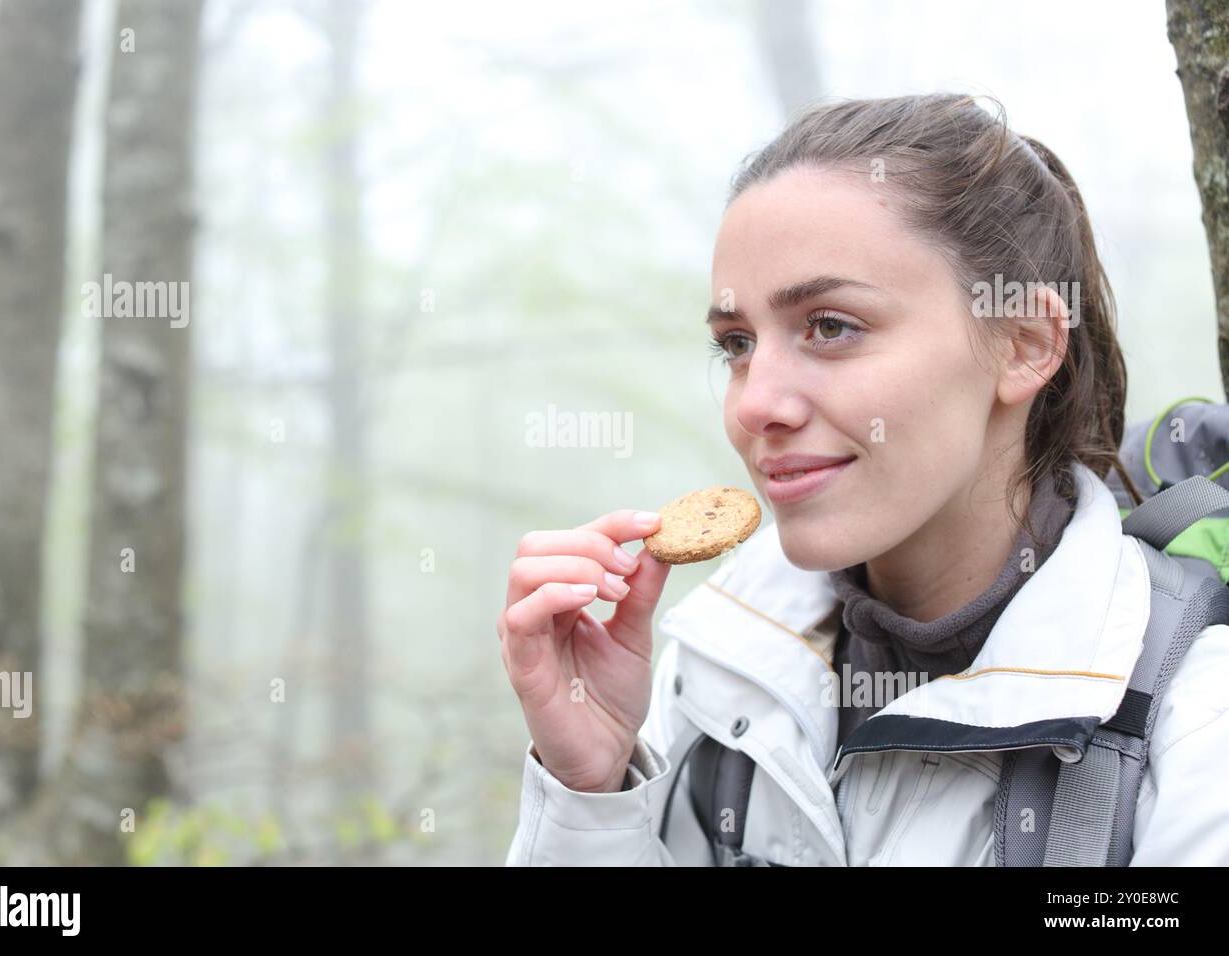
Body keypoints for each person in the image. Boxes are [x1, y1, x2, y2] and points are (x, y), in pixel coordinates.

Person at [497, 93, 1229, 865]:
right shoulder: (717, 670)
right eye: (738, 343)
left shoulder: (1193, 727)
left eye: (831, 327)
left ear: (1022, 345)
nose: (757, 405)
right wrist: (593, 793)